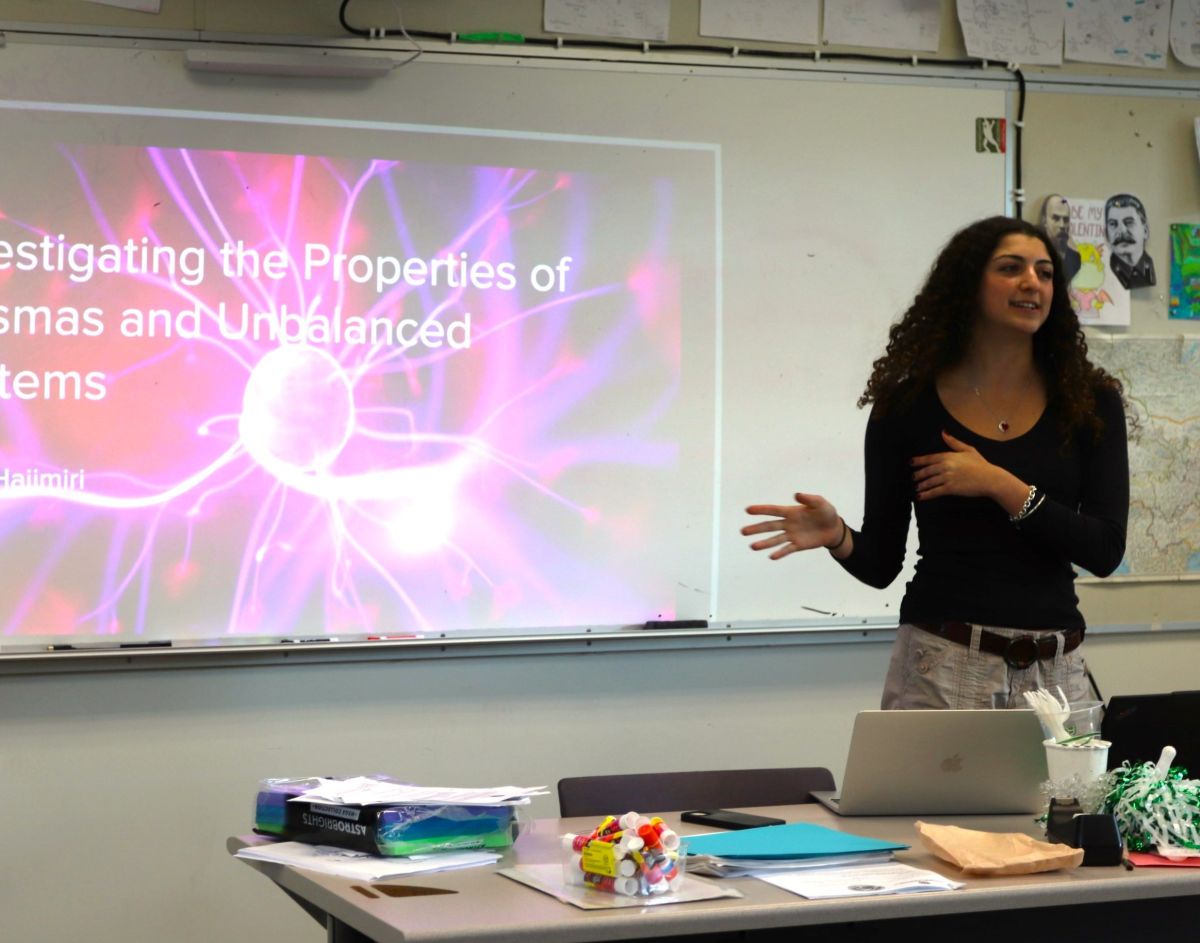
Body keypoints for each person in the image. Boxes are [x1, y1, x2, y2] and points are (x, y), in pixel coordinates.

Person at [742, 216, 1129, 710]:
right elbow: (882, 565)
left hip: (1057, 674)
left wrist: (997, 483)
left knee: (1067, 794)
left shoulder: (1090, 404)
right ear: (969, 285)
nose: (1032, 282)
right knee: (926, 795)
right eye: (1010, 268)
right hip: (942, 665)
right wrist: (838, 535)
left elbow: (1104, 550)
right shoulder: (907, 407)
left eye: (1045, 272)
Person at [1105, 193, 1155, 289]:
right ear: (1107, 235)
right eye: (1113, 224)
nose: (1121, 231)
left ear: (1145, 231)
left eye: (1129, 222)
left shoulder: (1149, 271)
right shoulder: (1102, 274)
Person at [1039, 194, 1081, 283]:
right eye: (1056, 218)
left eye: (1066, 220)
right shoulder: (1035, 254)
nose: (1062, 225)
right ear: (1044, 221)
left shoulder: (1075, 257)